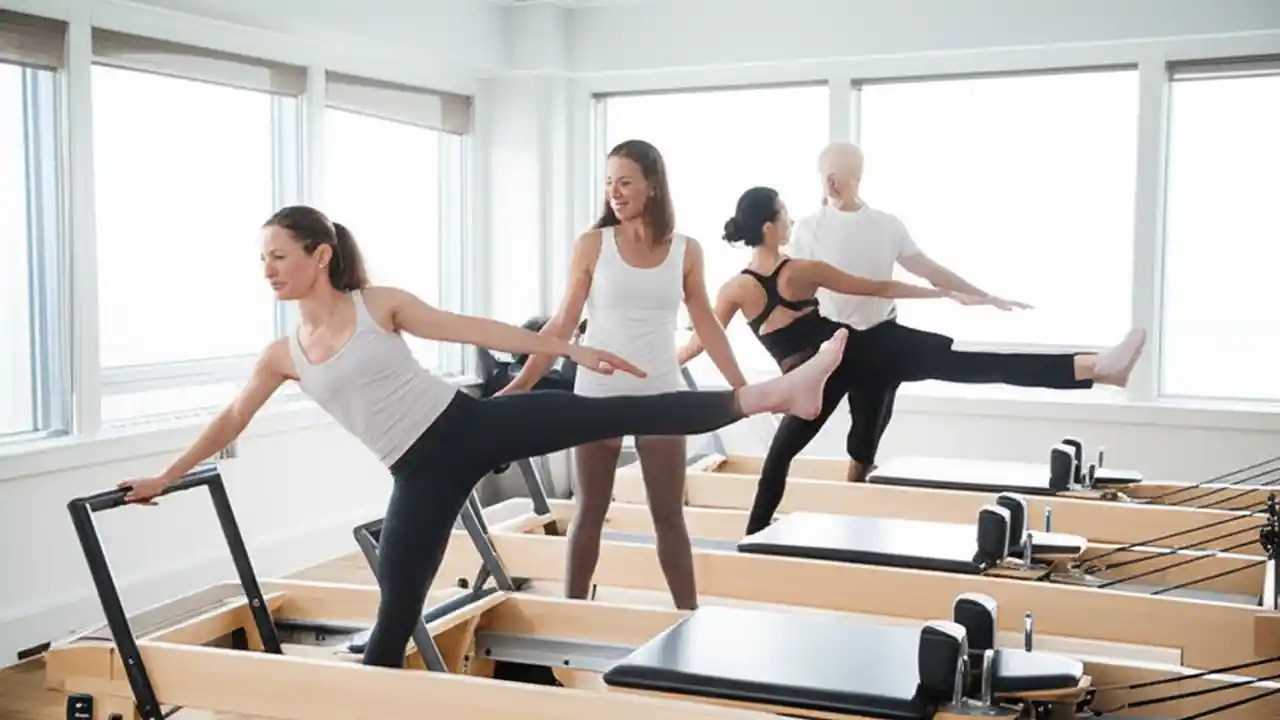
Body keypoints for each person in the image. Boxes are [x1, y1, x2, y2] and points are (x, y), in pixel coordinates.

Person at [117, 204, 848, 669]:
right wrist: (166, 477)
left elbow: (475, 329)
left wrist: (568, 349)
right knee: (394, 616)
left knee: (623, 411)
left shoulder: (378, 304)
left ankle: (776, 392)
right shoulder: (282, 355)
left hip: (469, 425)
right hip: (419, 474)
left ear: (320, 255)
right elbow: (232, 419)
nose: (269, 269)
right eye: (263, 259)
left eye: (279, 255)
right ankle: (370, 699)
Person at [678, 186, 1146, 534]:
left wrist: (666, 364)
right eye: (785, 213)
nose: (792, 220)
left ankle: (755, 536)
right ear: (769, 226)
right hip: (860, 353)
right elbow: (878, 288)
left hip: (819, 375)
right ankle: (1097, 368)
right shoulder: (802, 270)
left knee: (780, 457)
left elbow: (701, 341)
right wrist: (942, 293)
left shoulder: (735, 289)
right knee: (979, 366)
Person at [497, 139, 746, 611]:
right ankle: (573, 612)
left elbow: (707, 324)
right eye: (609, 182)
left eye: (625, 182)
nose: (614, 191)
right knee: (590, 510)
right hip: (598, 391)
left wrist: (743, 388)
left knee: (668, 516)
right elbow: (562, 324)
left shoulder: (687, 250)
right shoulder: (592, 245)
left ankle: (688, 614)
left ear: (653, 186)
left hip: (660, 393)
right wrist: (520, 385)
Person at [788, 141, 1051, 482]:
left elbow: (928, 269)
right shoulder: (808, 228)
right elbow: (795, 289)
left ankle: (859, 482)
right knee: (799, 425)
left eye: (838, 176)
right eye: (826, 176)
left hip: (880, 336)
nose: (831, 184)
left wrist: (982, 295)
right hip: (832, 340)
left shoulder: (886, 225)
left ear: (858, 177)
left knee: (868, 429)